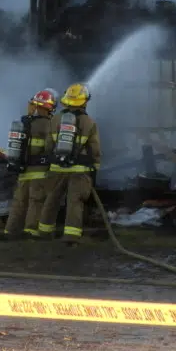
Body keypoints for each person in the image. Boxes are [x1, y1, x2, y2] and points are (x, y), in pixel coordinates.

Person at [45, 83, 102, 244]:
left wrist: (52, 160)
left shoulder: (55, 119)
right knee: (74, 202)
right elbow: (95, 149)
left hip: (56, 167)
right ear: (84, 102)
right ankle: (70, 236)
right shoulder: (89, 122)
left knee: (51, 200)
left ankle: (44, 232)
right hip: (80, 170)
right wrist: (95, 168)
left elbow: (48, 145)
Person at [3, 89, 58, 240]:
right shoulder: (48, 124)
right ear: (50, 107)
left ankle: (10, 231)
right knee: (36, 201)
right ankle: (31, 230)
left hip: (23, 169)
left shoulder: (25, 122)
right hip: (39, 170)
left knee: (19, 201)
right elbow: (50, 147)